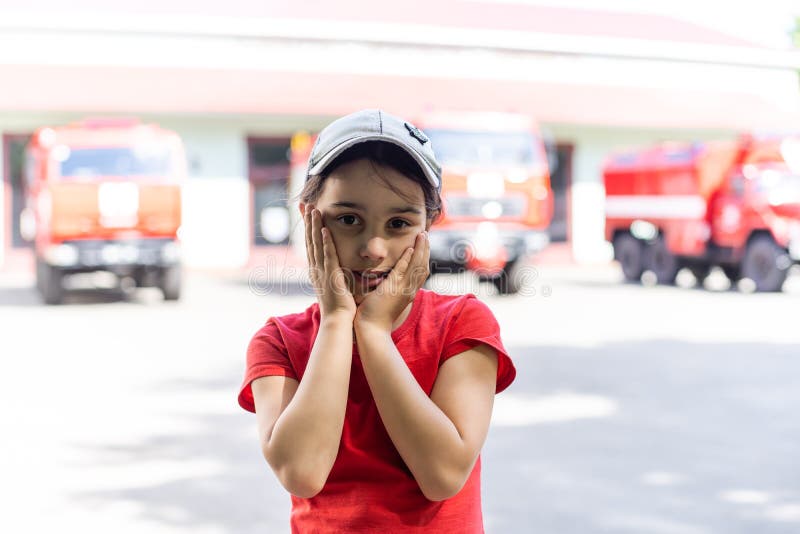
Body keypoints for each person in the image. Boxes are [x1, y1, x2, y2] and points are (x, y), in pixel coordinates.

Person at [238, 109, 516, 532]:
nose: (373, 247)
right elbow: (302, 472)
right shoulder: (279, 340)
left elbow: (443, 476)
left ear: (429, 226)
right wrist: (336, 322)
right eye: (348, 219)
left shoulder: (463, 324)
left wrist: (372, 331)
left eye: (399, 223)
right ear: (310, 216)